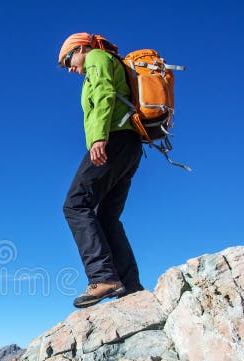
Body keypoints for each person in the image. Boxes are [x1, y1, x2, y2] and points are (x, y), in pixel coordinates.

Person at [59, 33, 144, 308]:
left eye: (67, 59)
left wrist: (98, 138)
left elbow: (106, 91)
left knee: (75, 204)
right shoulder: (105, 60)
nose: (68, 67)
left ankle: (102, 277)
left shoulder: (97, 57)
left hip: (114, 139)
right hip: (130, 146)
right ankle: (130, 285)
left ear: (81, 48)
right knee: (108, 218)